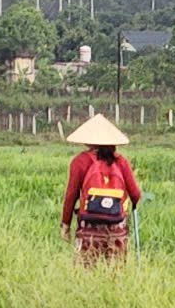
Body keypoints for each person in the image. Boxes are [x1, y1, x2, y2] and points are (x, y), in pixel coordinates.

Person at [60, 113, 141, 265]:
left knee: (85, 274)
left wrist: (65, 224)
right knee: (116, 275)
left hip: (89, 226)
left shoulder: (79, 161)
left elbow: (71, 196)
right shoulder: (121, 162)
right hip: (117, 226)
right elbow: (135, 194)